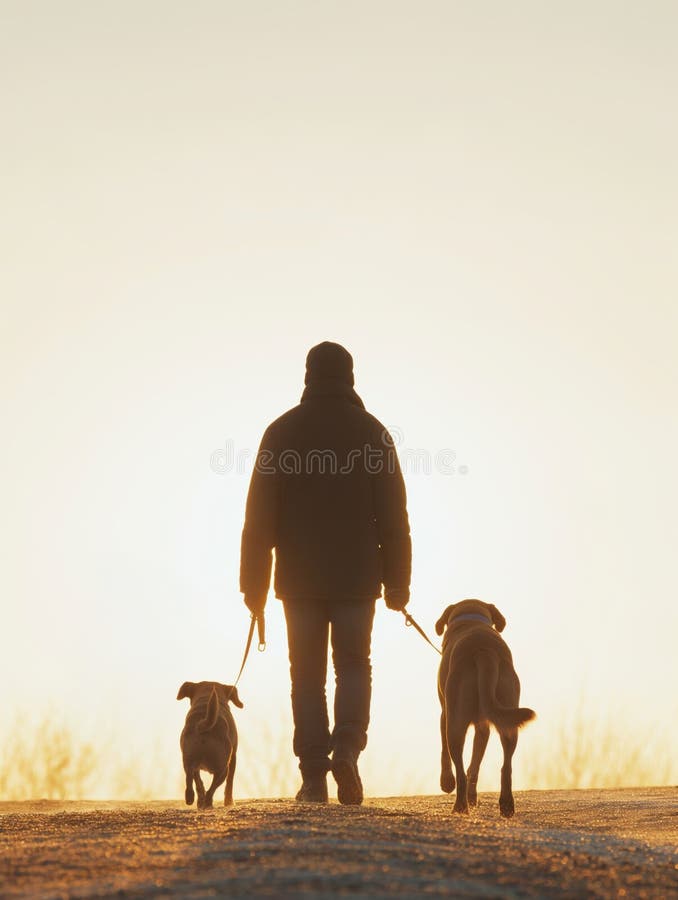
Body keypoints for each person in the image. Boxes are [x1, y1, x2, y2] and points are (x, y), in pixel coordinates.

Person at [240, 341, 411, 804]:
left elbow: (259, 521)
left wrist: (253, 589)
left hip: (299, 580)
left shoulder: (280, 433)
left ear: (308, 376)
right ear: (350, 377)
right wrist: (398, 584)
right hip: (358, 578)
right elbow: (394, 516)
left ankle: (314, 774)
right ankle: (349, 751)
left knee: (307, 676)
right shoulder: (373, 433)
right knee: (355, 665)